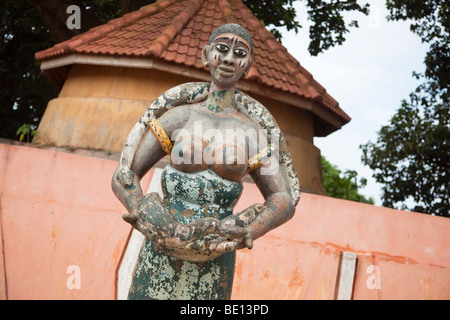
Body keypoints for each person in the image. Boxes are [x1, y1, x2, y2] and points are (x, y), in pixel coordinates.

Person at [111, 23, 300, 300]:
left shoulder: (253, 135)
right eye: (221, 50)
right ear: (205, 55)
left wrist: (247, 230)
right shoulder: (179, 118)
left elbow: (282, 199)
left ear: (247, 67)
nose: (228, 59)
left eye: (239, 54)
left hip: (216, 250)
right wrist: (143, 213)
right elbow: (125, 175)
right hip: (161, 242)